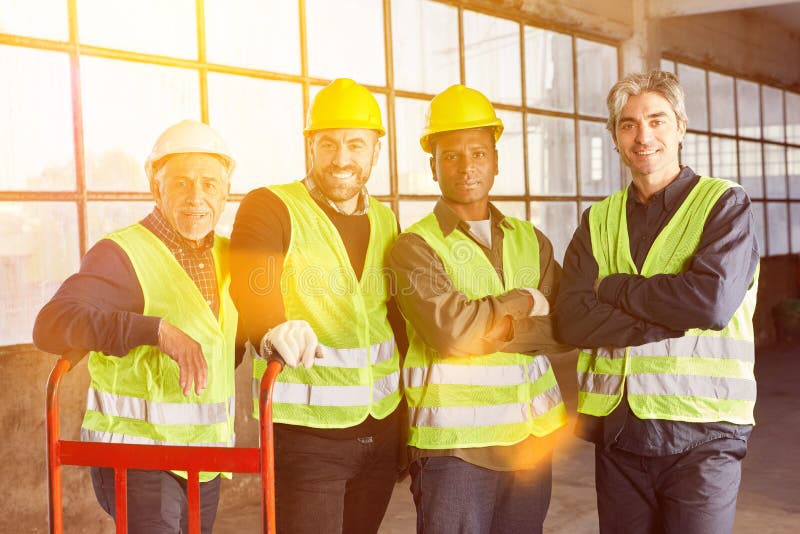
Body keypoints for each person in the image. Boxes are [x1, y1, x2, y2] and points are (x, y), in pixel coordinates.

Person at [554, 70, 759, 534]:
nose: (643, 135)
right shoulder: (599, 219)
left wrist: (611, 289)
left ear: (681, 127)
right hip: (620, 434)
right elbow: (569, 319)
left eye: (657, 120)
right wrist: (669, 316)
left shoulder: (724, 205)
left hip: (704, 436)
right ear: (614, 137)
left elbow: (709, 305)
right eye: (628, 124)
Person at [32, 119, 237, 534]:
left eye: (209, 185)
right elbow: (50, 325)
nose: (196, 198)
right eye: (181, 183)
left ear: (226, 192)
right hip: (137, 457)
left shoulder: (231, 256)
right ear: (155, 186)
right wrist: (154, 330)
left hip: (204, 457)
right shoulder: (121, 254)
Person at [389, 84, 570, 534]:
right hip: (457, 453)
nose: (466, 166)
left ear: (495, 160)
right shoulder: (414, 246)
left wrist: (485, 327)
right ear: (433, 166)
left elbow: (568, 325)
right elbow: (452, 335)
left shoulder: (532, 239)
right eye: (451, 155)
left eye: (478, 153)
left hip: (531, 443)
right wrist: (526, 301)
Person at [229, 78, 405, 534]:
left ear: (375, 151)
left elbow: (397, 321)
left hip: (381, 428)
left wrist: (405, 422)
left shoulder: (386, 218)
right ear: (310, 146)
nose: (341, 158)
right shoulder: (271, 206)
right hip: (307, 438)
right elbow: (251, 283)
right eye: (327, 143)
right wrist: (272, 327)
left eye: (355, 145)